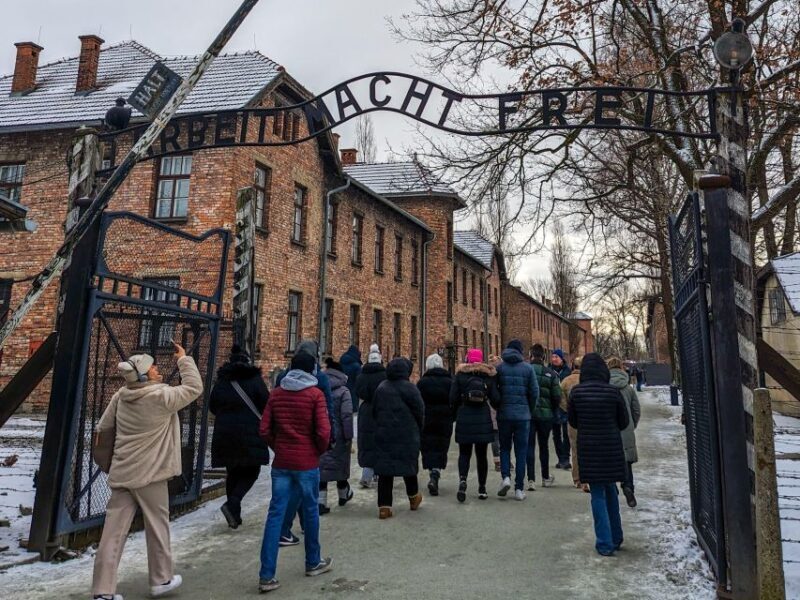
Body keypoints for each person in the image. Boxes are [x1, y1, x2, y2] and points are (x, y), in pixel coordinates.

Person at [91, 343, 202, 600]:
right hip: (150, 474)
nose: (155, 368)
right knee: (157, 525)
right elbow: (195, 388)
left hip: (122, 471)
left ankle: (102, 591)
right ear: (144, 375)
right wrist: (184, 360)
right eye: (151, 367)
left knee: (112, 533)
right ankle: (161, 579)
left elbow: (103, 428)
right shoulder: (161, 397)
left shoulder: (121, 396)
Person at [257, 351, 333, 593]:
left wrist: (278, 446)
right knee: (310, 512)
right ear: (311, 370)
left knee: (275, 516)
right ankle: (313, 561)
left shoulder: (277, 394)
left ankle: (266, 575)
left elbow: (265, 429)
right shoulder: (315, 395)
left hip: (282, 463)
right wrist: (315, 451)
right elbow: (323, 432)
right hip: (307, 463)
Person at [568, 353, 629, 556]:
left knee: (597, 494)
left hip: (589, 448)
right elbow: (624, 422)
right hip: (611, 446)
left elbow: (573, 421)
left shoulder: (577, 393)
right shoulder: (613, 392)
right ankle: (616, 536)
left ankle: (604, 542)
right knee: (611, 489)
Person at [276, 339, 333, 545]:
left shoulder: (283, 377)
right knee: (303, 488)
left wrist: (276, 440)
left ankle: (294, 527)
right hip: (308, 443)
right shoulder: (320, 379)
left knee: (294, 487)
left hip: (285, 442)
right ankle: (290, 530)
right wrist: (328, 436)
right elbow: (327, 410)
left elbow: (272, 412)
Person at [209, 344, 270, 529]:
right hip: (250, 431)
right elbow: (266, 404)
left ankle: (234, 514)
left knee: (233, 471)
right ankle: (233, 503)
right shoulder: (255, 379)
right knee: (252, 470)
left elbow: (212, 405)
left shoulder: (222, 381)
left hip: (224, 433)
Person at [368, 357, 425, 519]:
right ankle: (413, 498)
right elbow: (420, 411)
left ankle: (384, 507)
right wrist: (418, 429)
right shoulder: (411, 388)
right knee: (409, 466)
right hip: (407, 434)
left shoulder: (381, 388)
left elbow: (375, 411)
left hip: (384, 434)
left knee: (385, 471)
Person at [450, 348, 499, 502]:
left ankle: (463, 481)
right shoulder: (488, 376)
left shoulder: (461, 375)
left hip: (465, 417)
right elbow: (496, 400)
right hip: (482, 418)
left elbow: (452, 398)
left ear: (468, 359)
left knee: (464, 453)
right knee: (481, 455)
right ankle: (482, 488)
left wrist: (459, 408)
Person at [495, 339, 539, 500]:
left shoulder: (500, 368)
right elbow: (534, 392)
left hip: (504, 414)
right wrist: (530, 409)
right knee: (521, 451)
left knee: (505, 448)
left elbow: (494, 391)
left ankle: (506, 477)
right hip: (523, 416)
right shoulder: (528, 368)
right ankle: (519, 489)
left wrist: (498, 406)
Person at [318, 359, 354, 514]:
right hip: (339, 435)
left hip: (323, 432)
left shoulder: (319, 388)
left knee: (323, 468)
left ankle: (321, 502)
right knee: (340, 464)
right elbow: (346, 415)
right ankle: (343, 494)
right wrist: (349, 436)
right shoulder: (344, 391)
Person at [417, 353, 454, 496]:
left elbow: (418, 402)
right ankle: (436, 472)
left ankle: (432, 472)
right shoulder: (449, 382)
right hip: (445, 419)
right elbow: (455, 400)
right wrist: (452, 416)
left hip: (427, 419)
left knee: (428, 446)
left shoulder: (422, 382)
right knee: (441, 446)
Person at [607, 356, 641, 508]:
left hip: (610, 428)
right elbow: (636, 410)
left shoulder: (605, 386)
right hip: (626, 427)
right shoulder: (628, 389)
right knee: (626, 462)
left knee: (611, 460)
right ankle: (628, 487)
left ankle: (612, 489)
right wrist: (632, 424)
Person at [528, 344, 561, 491]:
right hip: (545, 416)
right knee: (544, 446)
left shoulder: (526, 372)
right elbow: (556, 396)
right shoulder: (551, 374)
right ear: (544, 357)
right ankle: (545, 477)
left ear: (531, 355)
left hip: (529, 414)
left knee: (529, 446)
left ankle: (530, 479)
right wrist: (552, 410)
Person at [355, 343, 386, 488]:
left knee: (366, 443)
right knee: (380, 442)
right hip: (381, 409)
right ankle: (377, 473)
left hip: (366, 410)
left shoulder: (362, 376)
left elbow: (358, 392)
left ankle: (367, 474)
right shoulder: (385, 375)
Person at [560, 356, 587, 491]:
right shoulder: (587, 380)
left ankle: (577, 479)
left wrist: (569, 410)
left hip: (572, 420)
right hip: (588, 419)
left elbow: (561, 399)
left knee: (575, 449)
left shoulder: (566, 381)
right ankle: (587, 477)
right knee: (587, 448)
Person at [549, 349, 572, 470]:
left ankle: (566, 458)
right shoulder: (548, 371)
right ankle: (560, 458)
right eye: (552, 357)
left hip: (565, 407)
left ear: (562, 358)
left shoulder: (568, 372)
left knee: (566, 434)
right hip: (553, 406)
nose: (554, 359)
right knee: (556, 434)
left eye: (556, 357)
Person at [339, 345, 362, 412]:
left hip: (342, 390)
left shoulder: (341, 362)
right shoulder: (356, 366)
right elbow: (359, 381)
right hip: (353, 392)